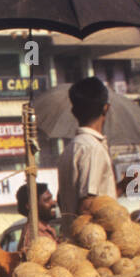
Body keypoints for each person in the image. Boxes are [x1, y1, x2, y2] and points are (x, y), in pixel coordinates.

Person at [57, 77, 116, 225]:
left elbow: (64, 199)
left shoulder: (70, 148)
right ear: (106, 107)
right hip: (91, 244)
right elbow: (86, 206)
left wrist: (121, 186)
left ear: (73, 111)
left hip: (72, 240)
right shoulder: (92, 149)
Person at [16, 180, 59, 250]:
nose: (53, 203)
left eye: (51, 198)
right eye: (47, 200)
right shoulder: (32, 235)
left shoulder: (46, 229)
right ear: (30, 206)